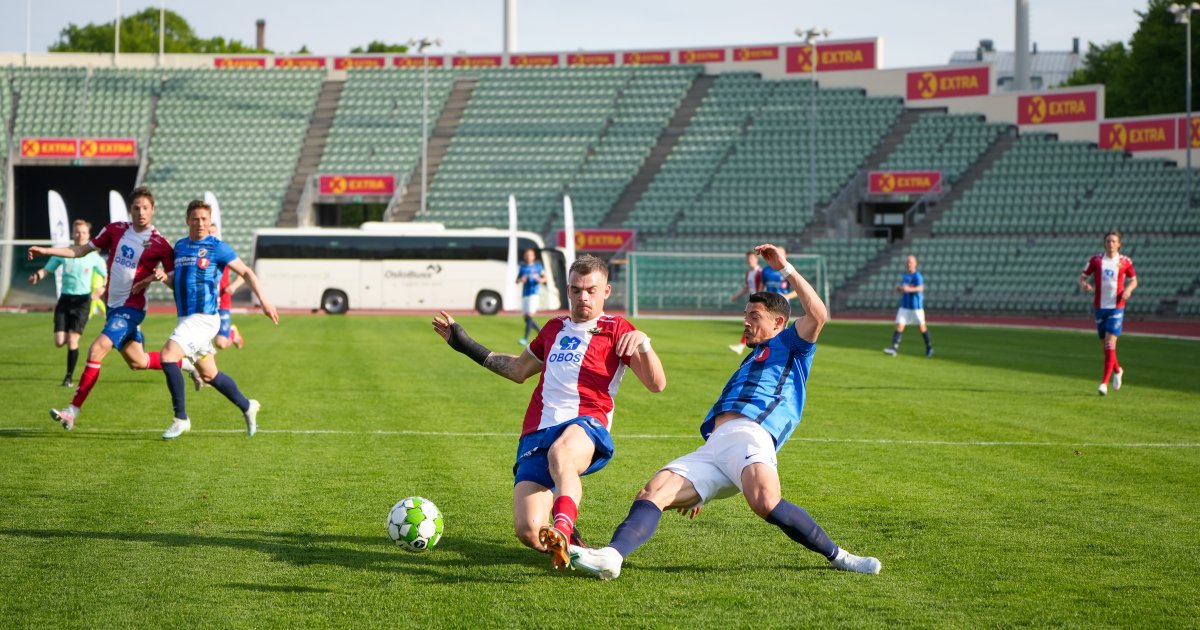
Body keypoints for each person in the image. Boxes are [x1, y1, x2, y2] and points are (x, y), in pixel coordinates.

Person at [569, 244, 881, 580]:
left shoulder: (792, 345)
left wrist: (785, 267)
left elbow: (818, 314)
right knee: (653, 491)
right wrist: (705, 482)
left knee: (764, 501)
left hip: (751, 437)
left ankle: (841, 556)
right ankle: (611, 557)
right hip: (716, 448)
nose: (745, 323)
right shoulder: (752, 357)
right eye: (745, 315)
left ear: (778, 322)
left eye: (754, 317)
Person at [432, 254, 666, 569]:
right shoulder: (554, 328)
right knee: (528, 531)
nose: (583, 297)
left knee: (562, 455)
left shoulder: (618, 329)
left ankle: (563, 528)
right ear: (567, 290)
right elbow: (517, 369)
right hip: (536, 432)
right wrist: (466, 345)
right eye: (576, 289)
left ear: (606, 291)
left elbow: (656, 384)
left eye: (591, 290)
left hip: (585, 424)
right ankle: (576, 549)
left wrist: (643, 344)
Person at [27, 186, 177, 430]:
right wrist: (46, 250)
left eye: (145, 208)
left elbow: (173, 282)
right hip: (113, 309)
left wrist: (157, 277)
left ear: (153, 210)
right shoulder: (115, 230)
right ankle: (187, 363)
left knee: (96, 350)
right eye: (136, 208)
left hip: (132, 308)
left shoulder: (161, 244)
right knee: (138, 362)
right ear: (130, 210)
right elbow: (80, 250)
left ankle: (71, 411)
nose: (141, 212)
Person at [152, 199, 279, 439]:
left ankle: (181, 418)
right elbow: (178, 284)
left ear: (210, 222)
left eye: (204, 219)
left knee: (168, 356)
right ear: (187, 220)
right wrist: (163, 278)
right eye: (196, 219)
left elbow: (247, 272)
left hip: (205, 318)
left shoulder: (217, 247)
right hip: (186, 318)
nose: (200, 223)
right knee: (210, 374)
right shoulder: (179, 247)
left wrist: (264, 300)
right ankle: (247, 406)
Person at [27, 219, 107, 387]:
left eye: (83, 232)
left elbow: (106, 274)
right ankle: (69, 371)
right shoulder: (64, 254)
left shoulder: (94, 257)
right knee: (59, 341)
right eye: (77, 232)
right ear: (72, 233)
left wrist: (102, 288)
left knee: (72, 339)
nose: (80, 235)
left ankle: (69, 377)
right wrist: (37, 276)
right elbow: (47, 269)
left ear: (89, 235)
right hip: (65, 300)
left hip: (83, 301)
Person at [1078, 230, 1137, 396]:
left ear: (1119, 244)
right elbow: (1082, 277)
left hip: (1117, 307)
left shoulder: (1125, 261)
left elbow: (1134, 280)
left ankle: (1104, 383)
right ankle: (1118, 370)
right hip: (1100, 307)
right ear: (1104, 243)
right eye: (1108, 241)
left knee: (1110, 344)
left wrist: (1128, 290)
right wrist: (1085, 285)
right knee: (1105, 347)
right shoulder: (1096, 260)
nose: (1110, 244)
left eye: (1114, 241)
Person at [883, 255, 933, 357]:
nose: (908, 264)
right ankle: (894, 348)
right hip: (905, 306)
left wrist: (909, 289)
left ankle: (929, 346)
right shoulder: (905, 276)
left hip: (916, 307)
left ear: (915, 264)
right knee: (899, 326)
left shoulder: (917, 276)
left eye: (910, 262)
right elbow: (905, 287)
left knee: (922, 328)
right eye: (907, 262)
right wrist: (900, 289)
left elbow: (920, 288)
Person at [728, 250, 761, 355]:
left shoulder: (760, 272)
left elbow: (762, 287)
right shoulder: (749, 273)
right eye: (748, 259)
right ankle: (743, 346)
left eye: (751, 258)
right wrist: (736, 296)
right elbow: (747, 288)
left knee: (753, 323)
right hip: (752, 301)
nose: (749, 261)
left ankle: (744, 346)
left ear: (756, 259)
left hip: (759, 302)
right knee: (750, 323)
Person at [516, 247, 546, 346]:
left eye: (530, 255)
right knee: (526, 318)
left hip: (534, 294)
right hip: (525, 294)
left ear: (533, 256)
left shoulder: (538, 267)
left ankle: (525, 339)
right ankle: (541, 331)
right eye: (527, 255)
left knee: (529, 316)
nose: (528, 256)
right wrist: (521, 280)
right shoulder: (522, 267)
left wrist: (539, 280)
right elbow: (517, 280)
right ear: (525, 256)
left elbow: (545, 278)